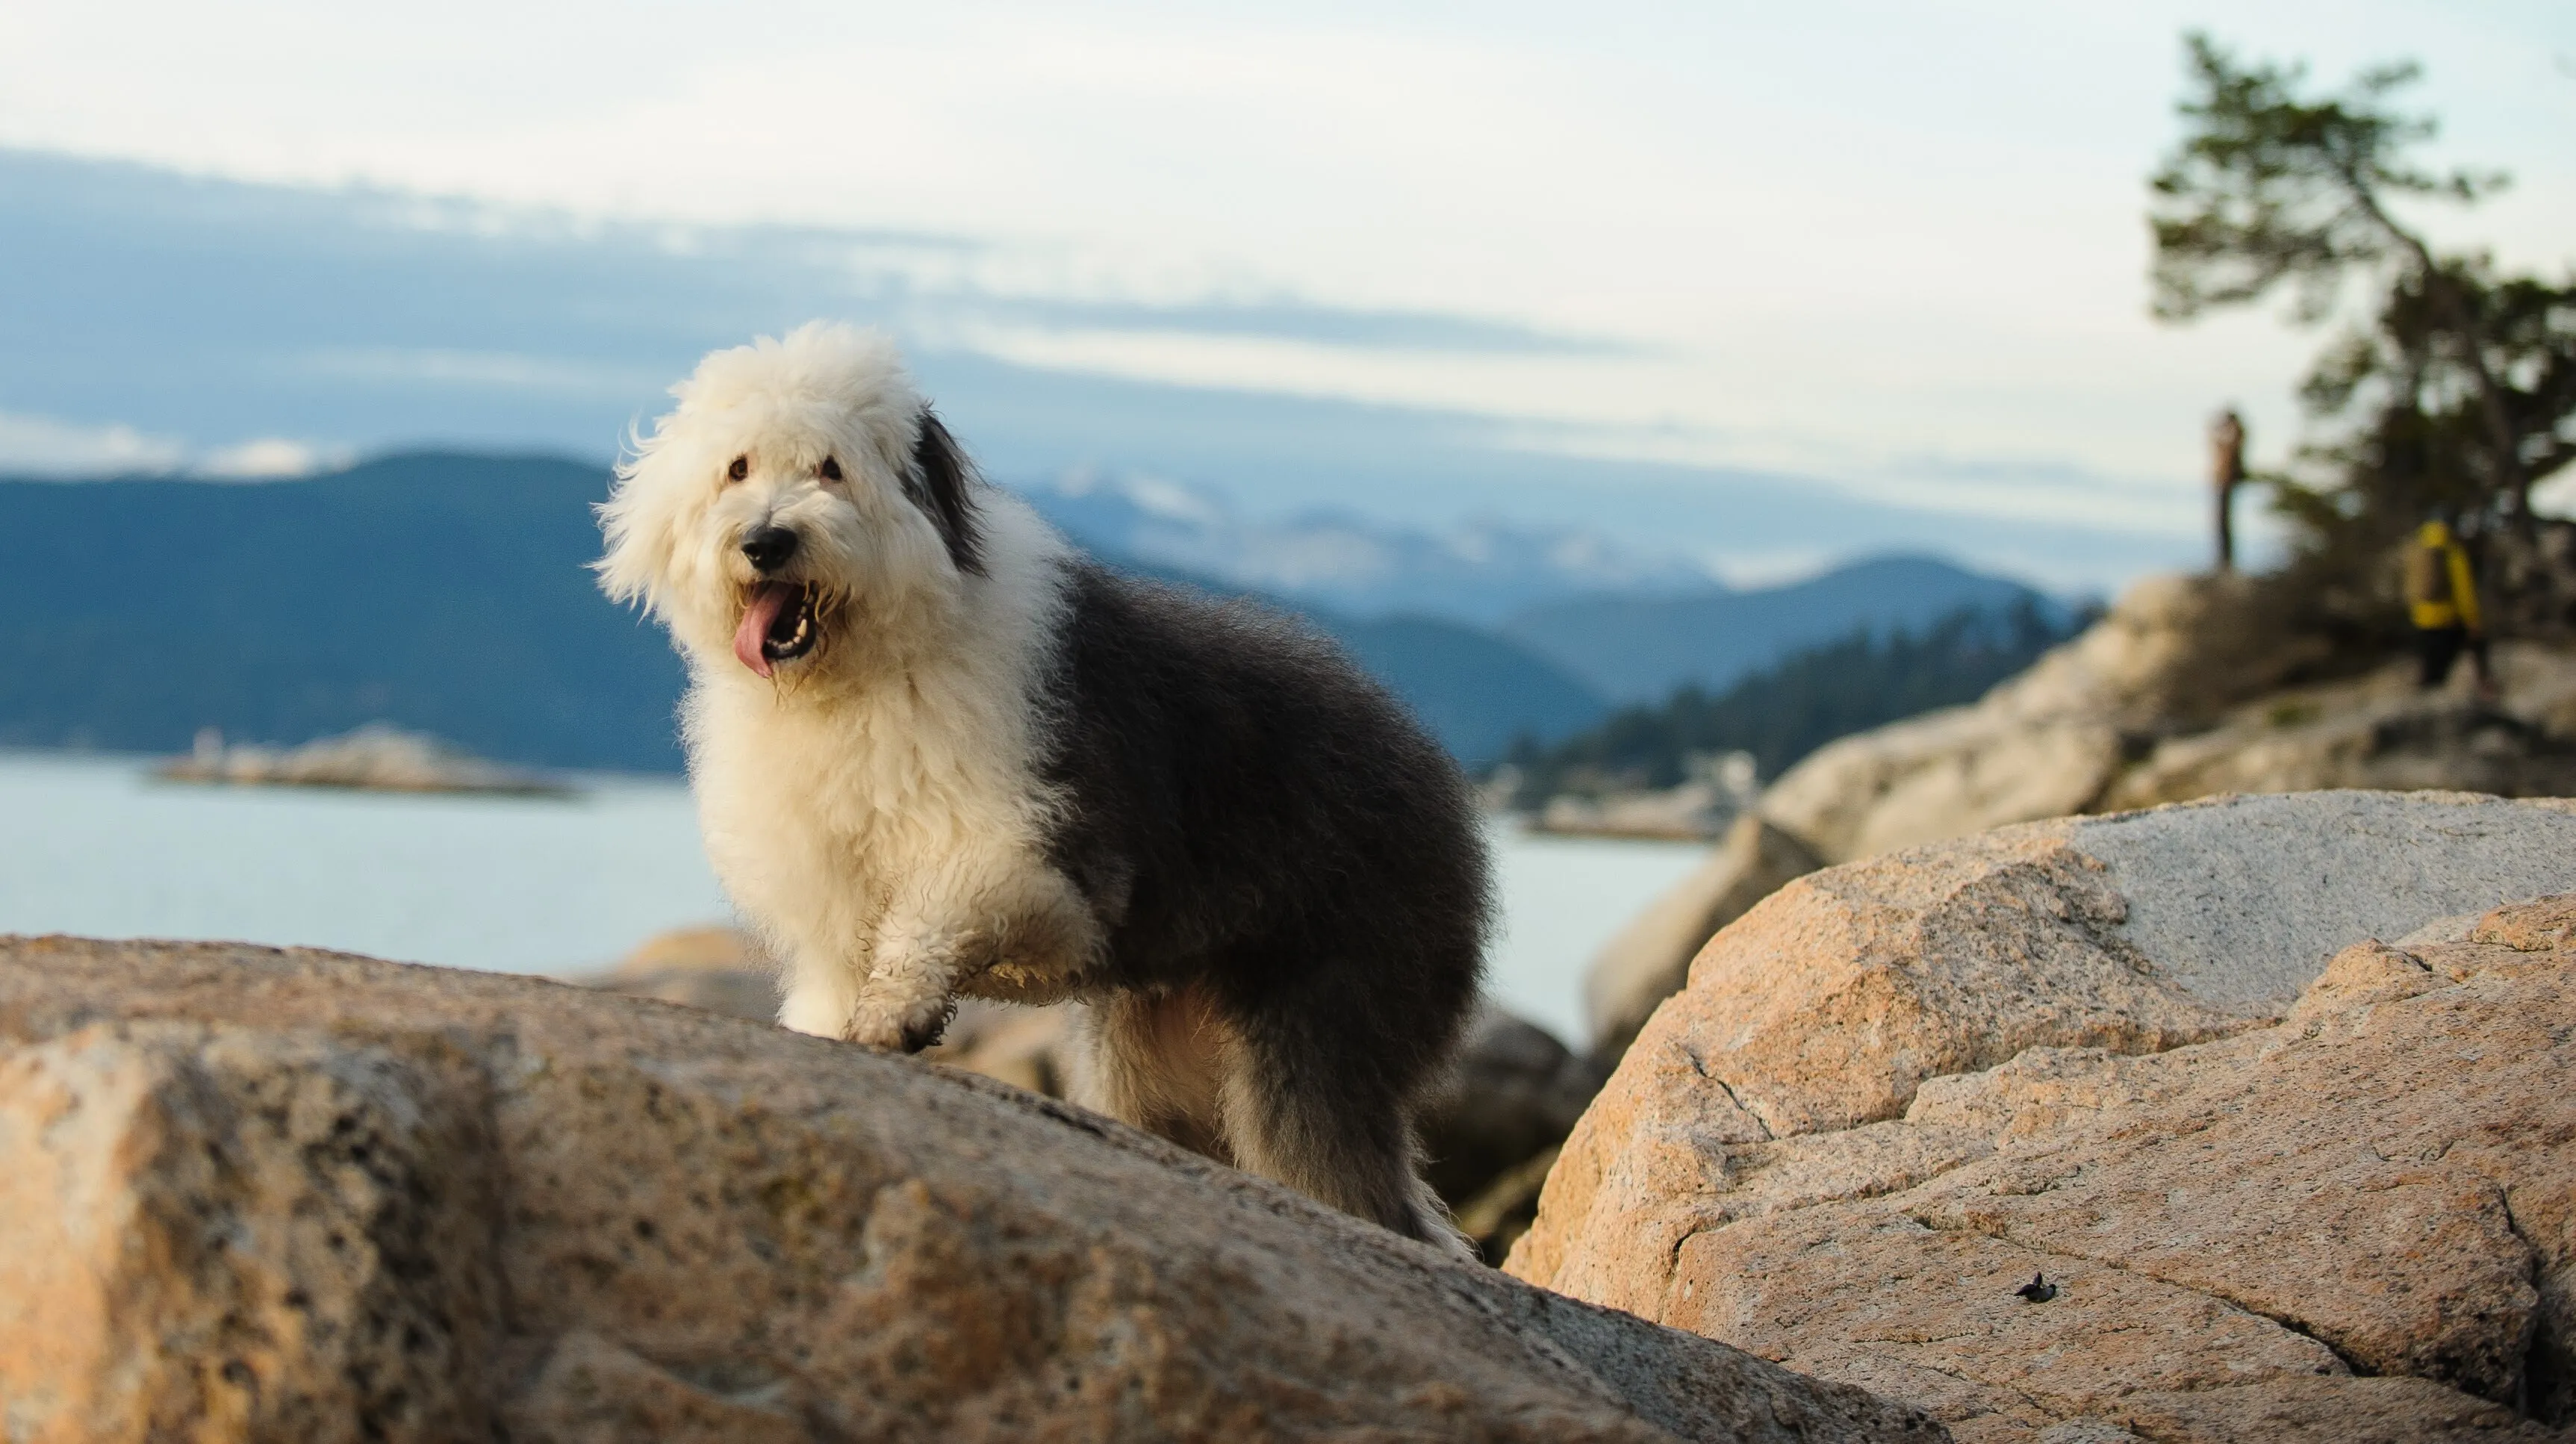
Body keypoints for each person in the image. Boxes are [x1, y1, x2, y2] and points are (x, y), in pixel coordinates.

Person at [2405, 519, 2496, 698]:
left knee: (2431, 667)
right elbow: (2464, 590)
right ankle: (2486, 688)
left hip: (2422, 619)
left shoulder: (2419, 549)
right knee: (2477, 649)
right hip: (2448, 618)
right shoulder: (2451, 552)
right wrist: (2472, 620)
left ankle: (2424, 702)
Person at [2209, 408, 2246, 572]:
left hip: (2227, 481)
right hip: (2223, 481)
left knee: (2224, 522)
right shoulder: (2232, 439)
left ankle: (2225, 562)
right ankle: (2223, 560)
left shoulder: (2234, 439)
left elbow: (2221, 440)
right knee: (2221, 522)